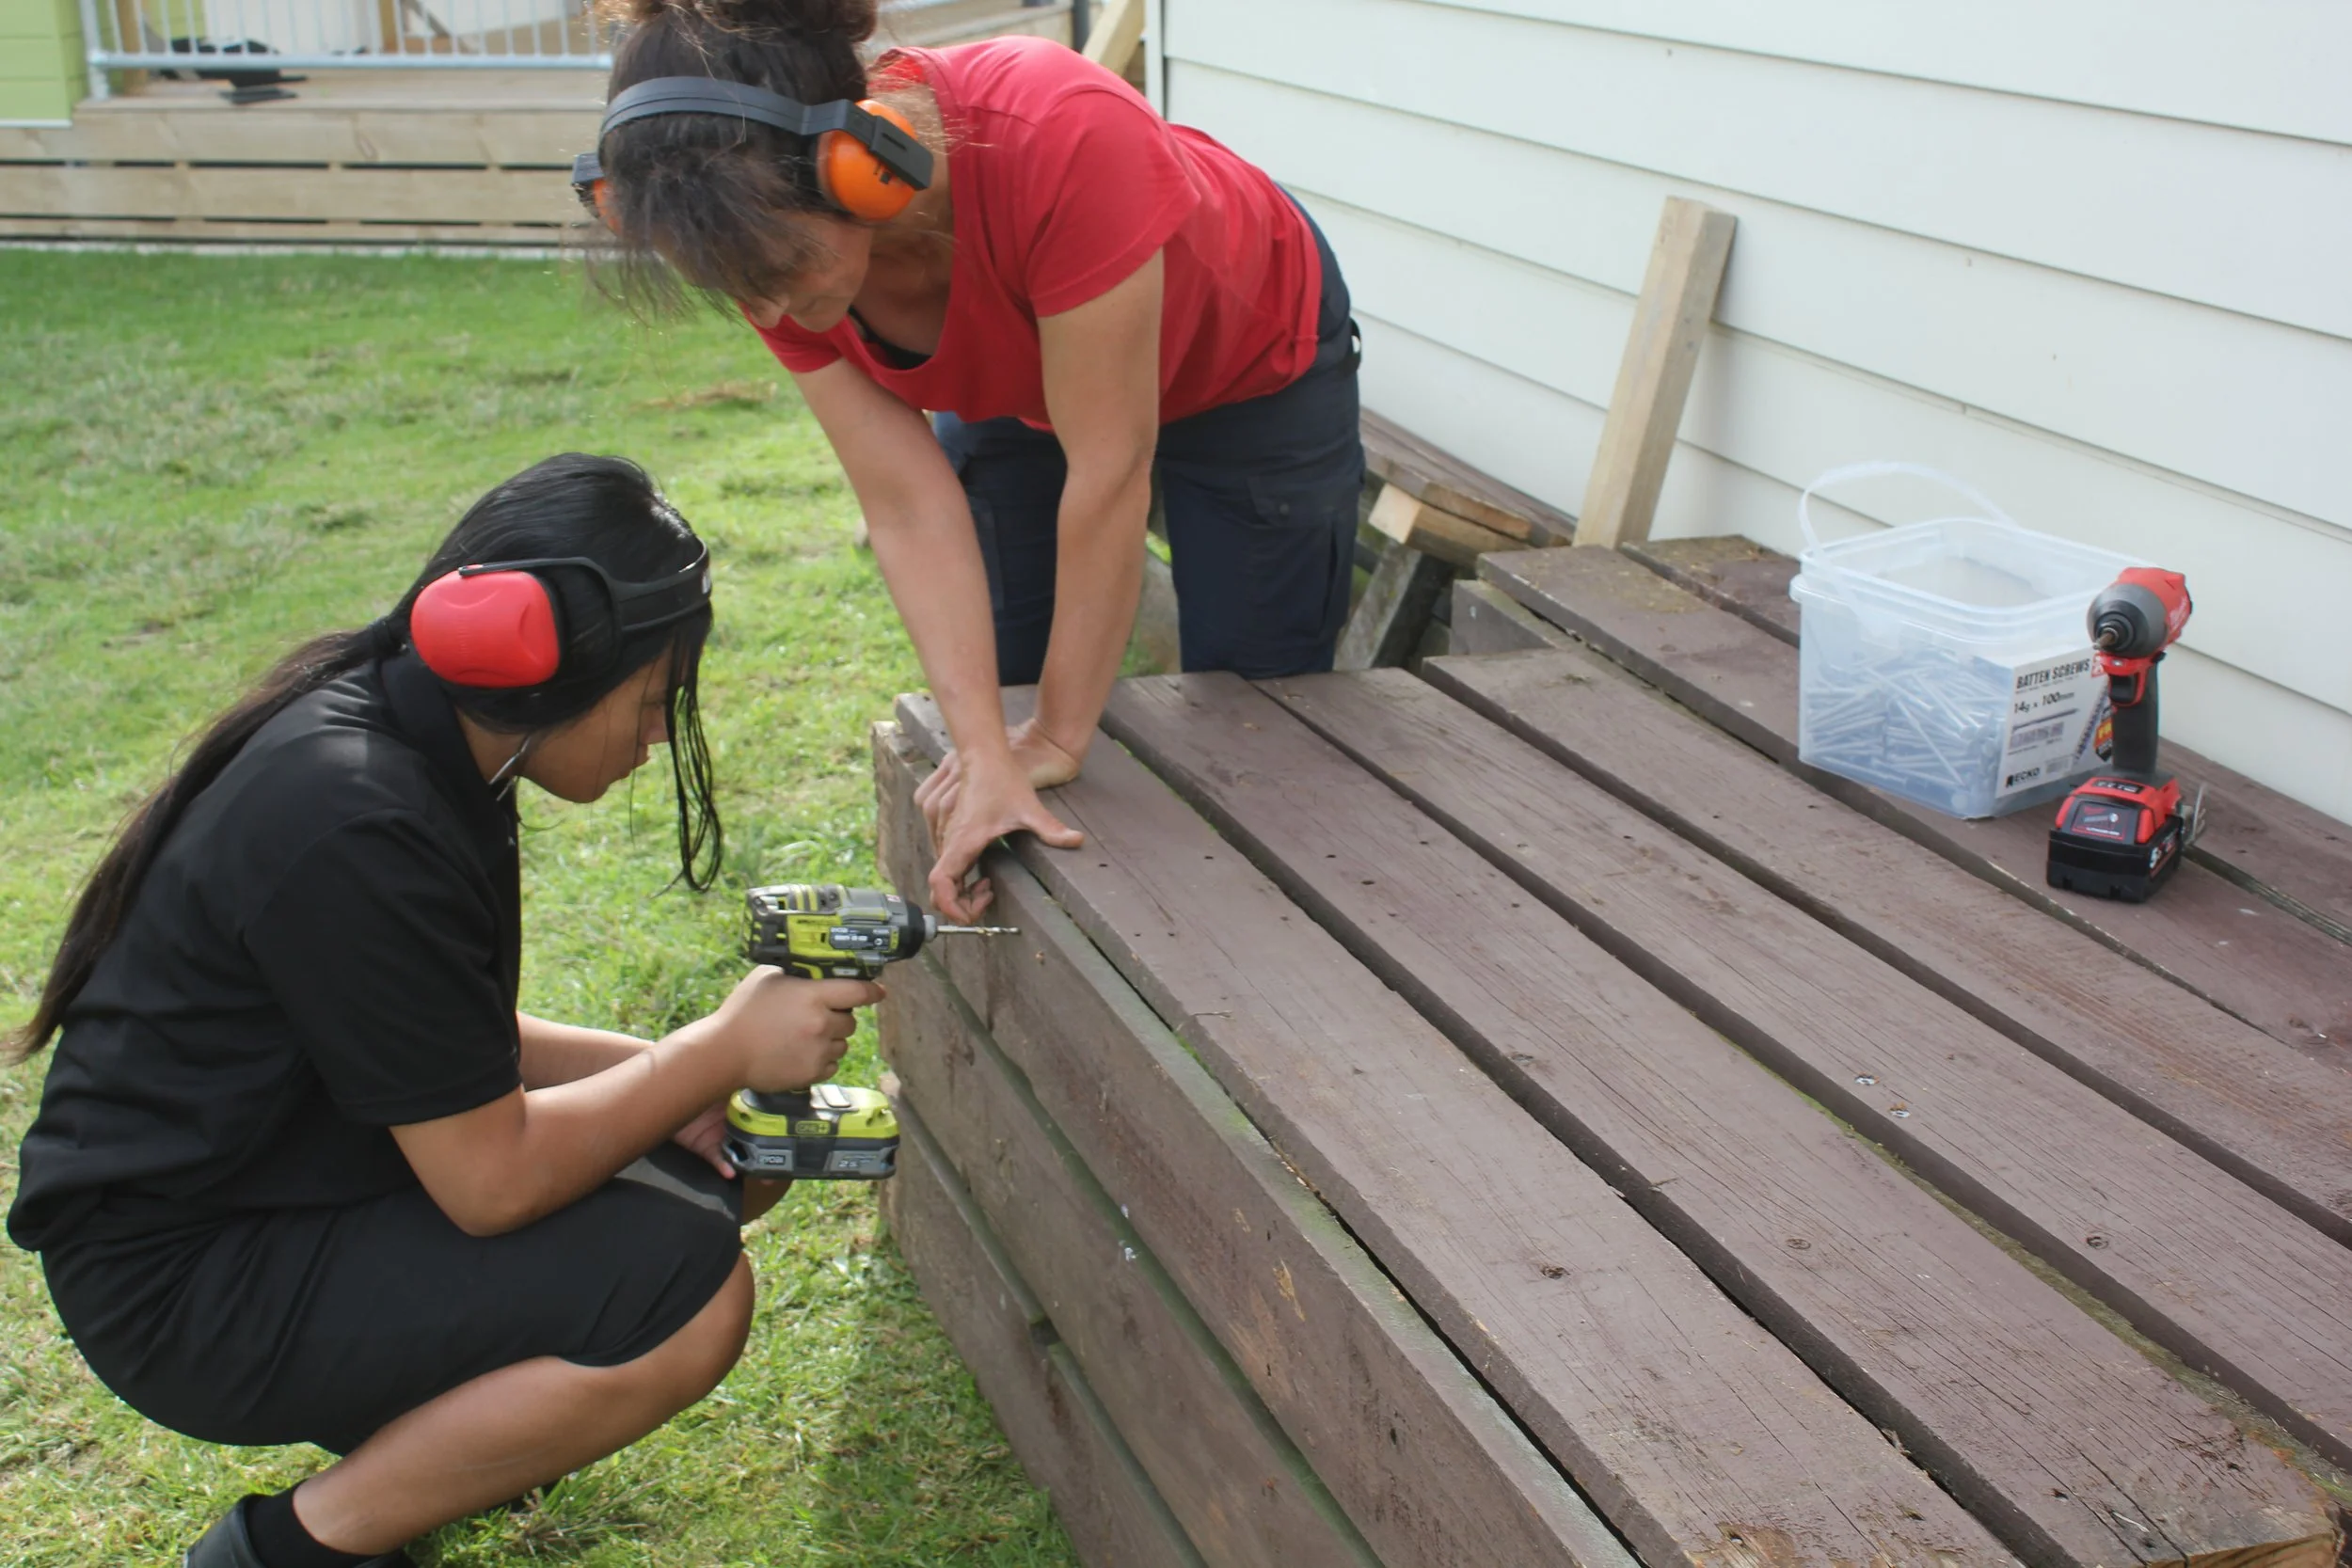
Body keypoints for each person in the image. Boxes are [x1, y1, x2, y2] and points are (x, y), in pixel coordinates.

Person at [5, 454, 883, 1568]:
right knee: (687, 1288)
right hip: (185, 1283)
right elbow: (491, 1180)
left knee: (717, 1170)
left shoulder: (421, 746)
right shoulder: (352, 815)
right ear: (548, 667)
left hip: (286, 1189)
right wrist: (714, 1050)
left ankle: (418, 1443)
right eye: (653, 701)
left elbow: (439, 1046)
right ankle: (293, 1548)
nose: (659, 735)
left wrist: (685, 1073)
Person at [589, 0, 1365, 920]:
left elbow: (1109, 470)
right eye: (731, 289)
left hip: (1246, 360)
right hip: (1013, 379)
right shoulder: (765, 252)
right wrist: (993, 750)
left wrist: (1063, 733)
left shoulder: (1060, 132)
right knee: (1006, 675)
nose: (771, 316)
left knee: (1256, 707)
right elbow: (908, 510)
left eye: (785, 268)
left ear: (864, 164)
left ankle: (1262, 930)